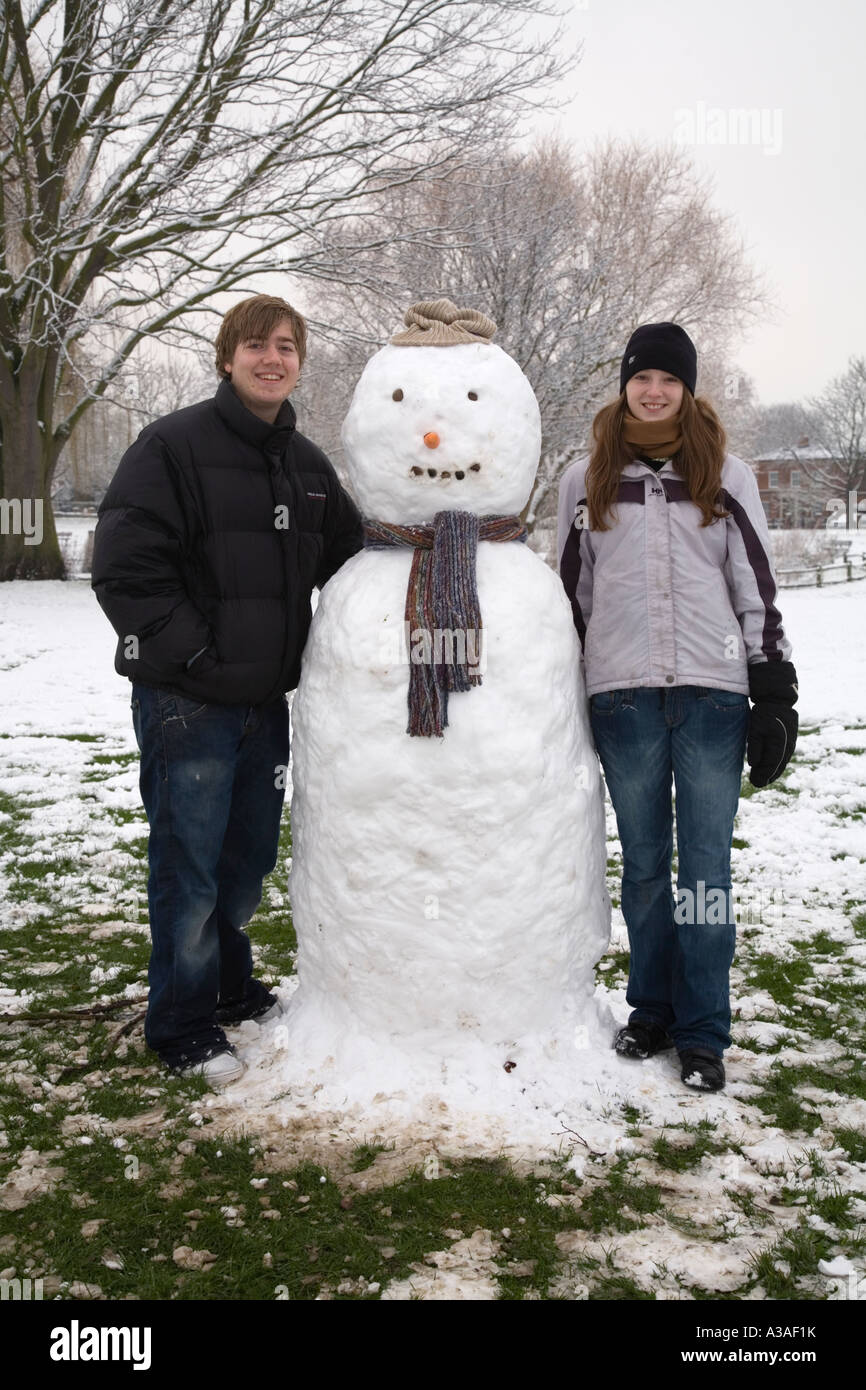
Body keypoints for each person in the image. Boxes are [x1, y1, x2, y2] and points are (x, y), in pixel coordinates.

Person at [92, 294, 363, 1085]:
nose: (272, 359)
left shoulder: (307, 466)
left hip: (262, 706)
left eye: (286, 346)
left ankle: (229, 983)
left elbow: (353, 557)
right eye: (256, 346)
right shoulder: (171, 446)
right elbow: (125, 569)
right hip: (190, 703)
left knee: (245, 861)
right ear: (226, 356)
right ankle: (179, 1022)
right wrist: (198, 658)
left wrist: (450, 543)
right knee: (191, 863)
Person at [557, 322, 798, 1092]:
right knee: (646, 867)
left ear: (687, 389)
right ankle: (652, 1007)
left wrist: (772, 687)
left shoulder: (724, 474)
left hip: (711, 696)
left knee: (703, 868)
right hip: (622, 696)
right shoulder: (583, 478)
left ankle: (701, 1029)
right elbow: (570, 597)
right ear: (624, 384)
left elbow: (754, 583)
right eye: (642, 378)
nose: (654, 390)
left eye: (668, 379)